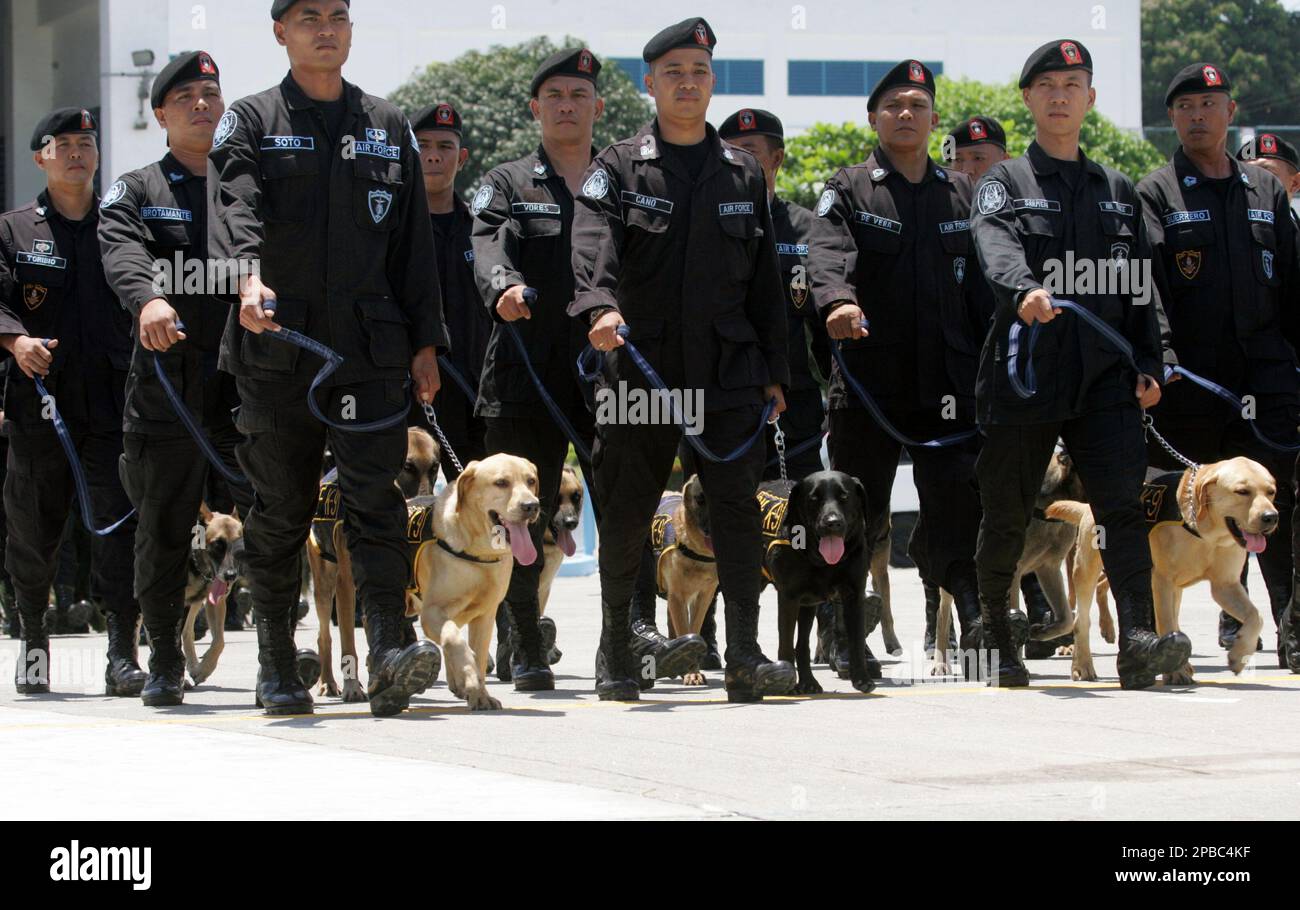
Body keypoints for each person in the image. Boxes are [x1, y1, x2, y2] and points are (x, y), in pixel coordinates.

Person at [208, 0, 447, 716]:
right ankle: (279, 663)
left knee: (376, 502)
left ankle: (388, 654)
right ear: (280, 31)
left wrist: (426, 341)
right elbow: (232, 209)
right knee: (281, 512)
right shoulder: (250, 121)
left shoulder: (386, 124)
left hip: (370, 347)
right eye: (308, 16)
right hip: (278, 344)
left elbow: (412, 243)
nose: (326, 28)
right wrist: (245, 277)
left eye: (338, 15)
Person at [570, 17, 794, 702]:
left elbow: (765, 284)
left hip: (728, 370)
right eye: (673, 74)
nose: (687, 84)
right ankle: (616, 648)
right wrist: (598, 307)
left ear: (712, 81)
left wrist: (777, 374)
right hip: (643, 366)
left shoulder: (742, 171)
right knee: (630, 508)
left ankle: (745, 656)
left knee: (734, 509)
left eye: (698, 72)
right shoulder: (617, 166)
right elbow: (591, 242)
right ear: (650, 84)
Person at [969, 38, 1189, 689]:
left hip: (1103, 380)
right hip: (1026, 372)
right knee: (1007, 510)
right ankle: (997, 634)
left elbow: (1139, 288)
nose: (1060, 96)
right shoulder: (1003, 182)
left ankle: (1139, 640)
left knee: (1122, 509)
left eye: (1073, 85)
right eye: (1048, 86)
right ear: (1030, 98)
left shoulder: (1119, 191)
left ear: (1090, 99)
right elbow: (994, 242)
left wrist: (1150, 362)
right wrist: (1021, 288)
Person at [808, 60, 995, 677]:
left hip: (947, 386)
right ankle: (844, 632)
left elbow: (984, 293)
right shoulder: (849, 189)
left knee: (958, 504)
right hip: (870, 384)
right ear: (873, 118)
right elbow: (826, 255)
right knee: (858, 514)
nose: (905, 114)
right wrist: (837, 301)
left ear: (934, 118)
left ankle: (975, 625)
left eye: (917, 104)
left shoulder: (962, 195)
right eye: (892, 105)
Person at [99, 50, 267, 706]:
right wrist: (148, 299)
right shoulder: (137, 190)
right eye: (186, 97)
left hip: (241, 384)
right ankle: (165, 652)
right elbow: (120, 251)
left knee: (270, 511)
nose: (202, 104)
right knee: (164, 523)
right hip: (165, 383)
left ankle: (278, 650)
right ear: (161, 112)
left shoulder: (247, 188)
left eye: (210, 94)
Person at [1138, 64, 1300, 663]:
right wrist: (1160, 361)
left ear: (1231, 112)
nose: (1198, 115)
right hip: (1189, 387)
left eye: (1209, 103)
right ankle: (1156, 635)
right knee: (1166, 512)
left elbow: (1293, 285)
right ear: (1173, 118)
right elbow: (1145, 287)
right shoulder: (1155, 193)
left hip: (1266, 379)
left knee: (1269, 508)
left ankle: (1286, 631)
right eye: (1185, 106)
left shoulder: (1266, 192)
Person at [0, 107, 140, 695]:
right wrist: (16, 339)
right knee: (34, 531)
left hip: (112, 405)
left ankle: (121, 653)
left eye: (88, 143)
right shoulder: (14, 229)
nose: (79, 153)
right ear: (42, 157)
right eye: (65, 144)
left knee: (117, 527)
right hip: (42, 407)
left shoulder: (122, 226)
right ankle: (33, 642)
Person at [410, 101, 488, 481]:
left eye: (444, 147)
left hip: (472, 392)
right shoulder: (385, 232)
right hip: (407, 391)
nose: (433, 157)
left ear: (462, 158)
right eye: (422, 146)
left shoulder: (484, 230)